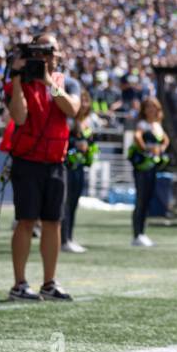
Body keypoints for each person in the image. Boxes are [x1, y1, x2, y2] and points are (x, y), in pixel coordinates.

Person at [1, 34, 81, 301]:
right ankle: (19, 283)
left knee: (53, 222)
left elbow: (72, 109)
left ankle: (49, 282)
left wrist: (48, 82)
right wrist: (16, 78)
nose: (47, 56)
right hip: (27, 161)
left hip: (56, 162)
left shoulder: (67, 82)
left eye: (52, 51)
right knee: (26, 221)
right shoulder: (19, 81)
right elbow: (19, 116)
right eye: (42, 51)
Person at [129, 97, 169, 247]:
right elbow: (137, 136)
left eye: (154, 107)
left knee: (147, 199)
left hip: (153, 165)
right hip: (142, 166)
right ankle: (137, 234)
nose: (151, 109)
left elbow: (165, 140)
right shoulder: (143, 124)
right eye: (148, 107)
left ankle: (142, 233)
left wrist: (161, 149)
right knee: (141, 198)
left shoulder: (157, 125)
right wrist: (146, 148)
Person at [62, 96, 97, 253]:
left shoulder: (88, 122)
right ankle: (64, 239)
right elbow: (64, 140)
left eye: (86, 100)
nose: (84, 104)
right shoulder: (69, 121)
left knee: (75, 202)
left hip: (80, 165)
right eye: (81, 100)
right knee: (67, 203)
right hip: (68, 166)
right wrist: (74, 145)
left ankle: (69, 237)